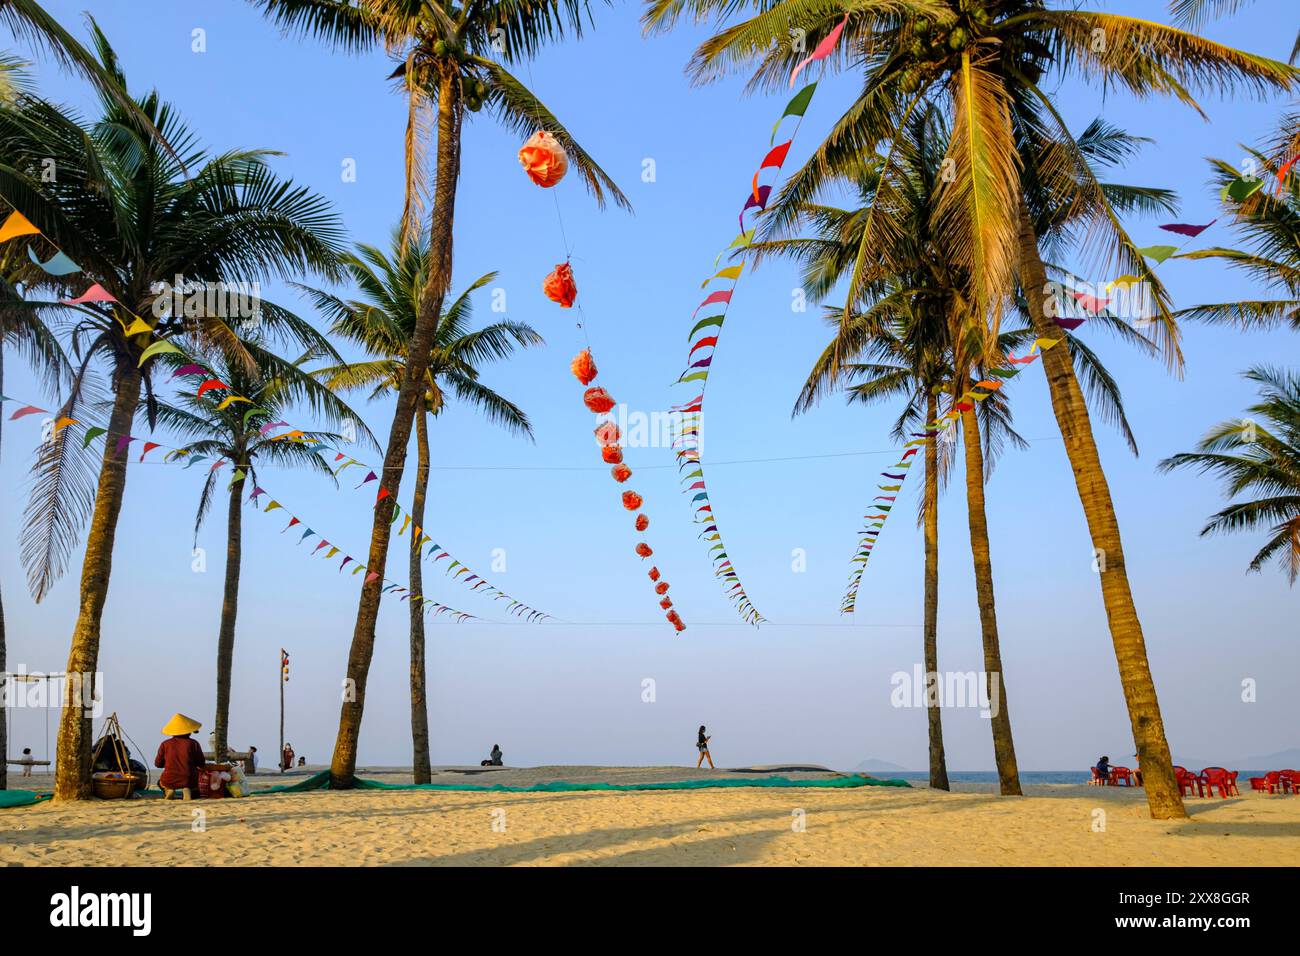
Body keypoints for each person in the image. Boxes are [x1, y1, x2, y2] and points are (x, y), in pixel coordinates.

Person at [155, 713, 206, 800]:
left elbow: (158, 764)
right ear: (189, 731)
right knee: (195, 791)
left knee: (160, 782)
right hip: (189, 779)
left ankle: (169, 789)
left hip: (169, 779)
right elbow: (201, 763)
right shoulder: (193, 743)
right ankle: (187, 789)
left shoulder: (165, 744)